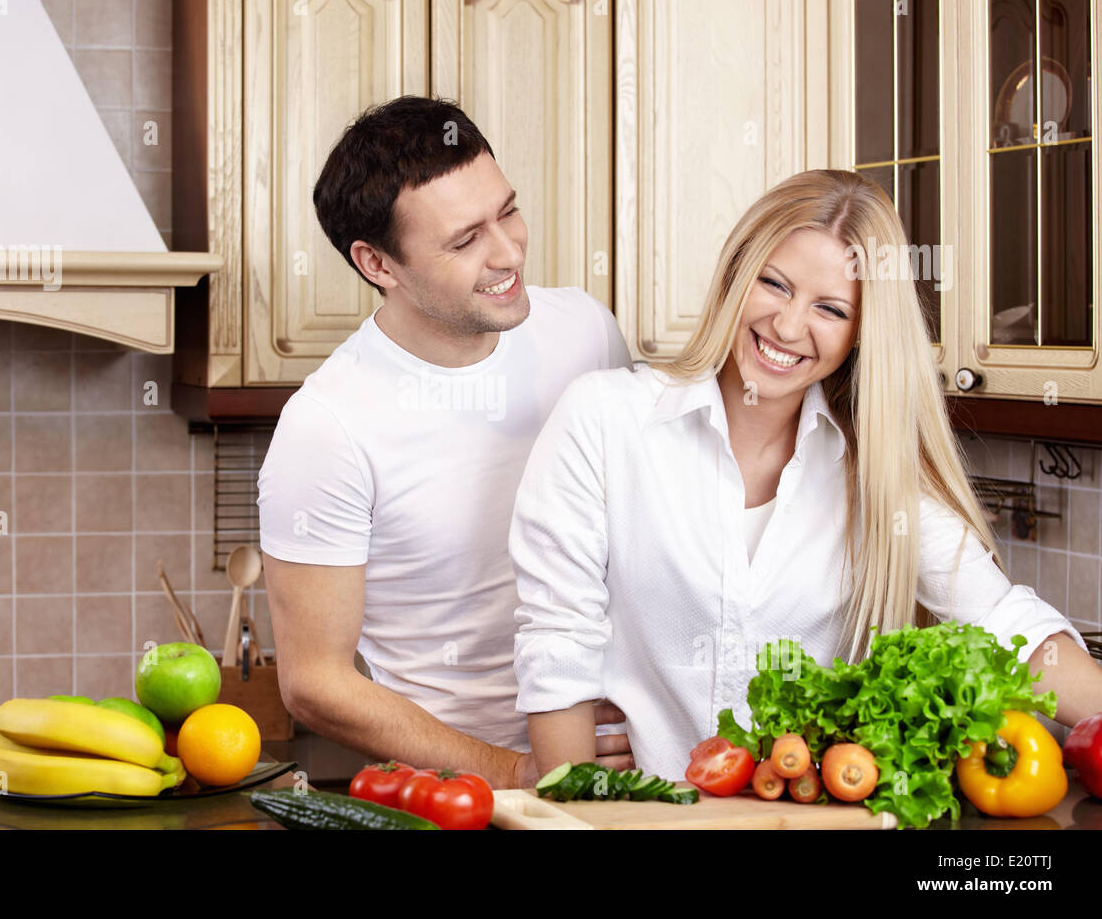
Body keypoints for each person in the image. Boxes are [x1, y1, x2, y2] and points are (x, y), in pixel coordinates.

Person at [512, 168, 1102, 780]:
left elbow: (1006, 628)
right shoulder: (605, 419)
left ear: (860, 333)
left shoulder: (874, 471)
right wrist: (577, 809)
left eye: (830, 308)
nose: (789, 327)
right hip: (648, 818)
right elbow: (558, 645)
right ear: (738, 273)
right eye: (774, 283)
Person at [257, 96, 635, 789]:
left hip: (635, 769)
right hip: (468, 796)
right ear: (378, 264)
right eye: (464, 242)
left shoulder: (584, 332)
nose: (507, 252)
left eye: (508, 212)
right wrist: (516, 770)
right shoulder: (328, 428)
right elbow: (314, 684)